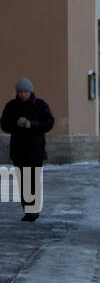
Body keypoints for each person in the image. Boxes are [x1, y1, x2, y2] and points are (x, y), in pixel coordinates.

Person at [0, 77, 54, 221]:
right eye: (20, 92)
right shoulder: (11, 106)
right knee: (22, 181)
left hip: (36, 149)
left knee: (34, 180)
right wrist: (15, 124)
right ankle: (28, 209)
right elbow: (4, 125)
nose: (22, 94)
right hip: (18, 150)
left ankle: (34, 210)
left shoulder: (40, 105)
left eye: (25, 92)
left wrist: (33, 125)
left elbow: (49, 123)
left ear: (30, 92)